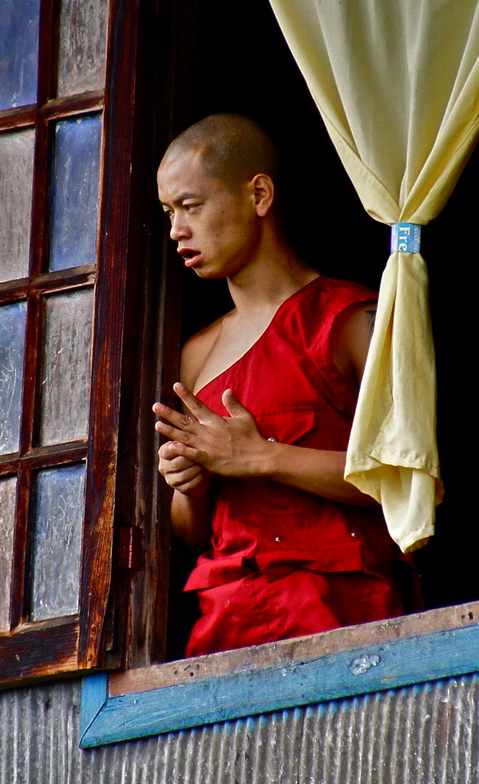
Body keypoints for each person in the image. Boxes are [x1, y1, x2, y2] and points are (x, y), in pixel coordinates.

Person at [152, 113, 409, 656]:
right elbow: (195, 533)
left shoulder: (348, 321)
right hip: (226, 628)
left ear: (259, 195)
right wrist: (189, 487)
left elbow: (409, 481)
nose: (176, 229)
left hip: (342, 623)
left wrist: (260, 457)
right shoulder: (195, 357)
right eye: (169, 212)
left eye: (191, 206)